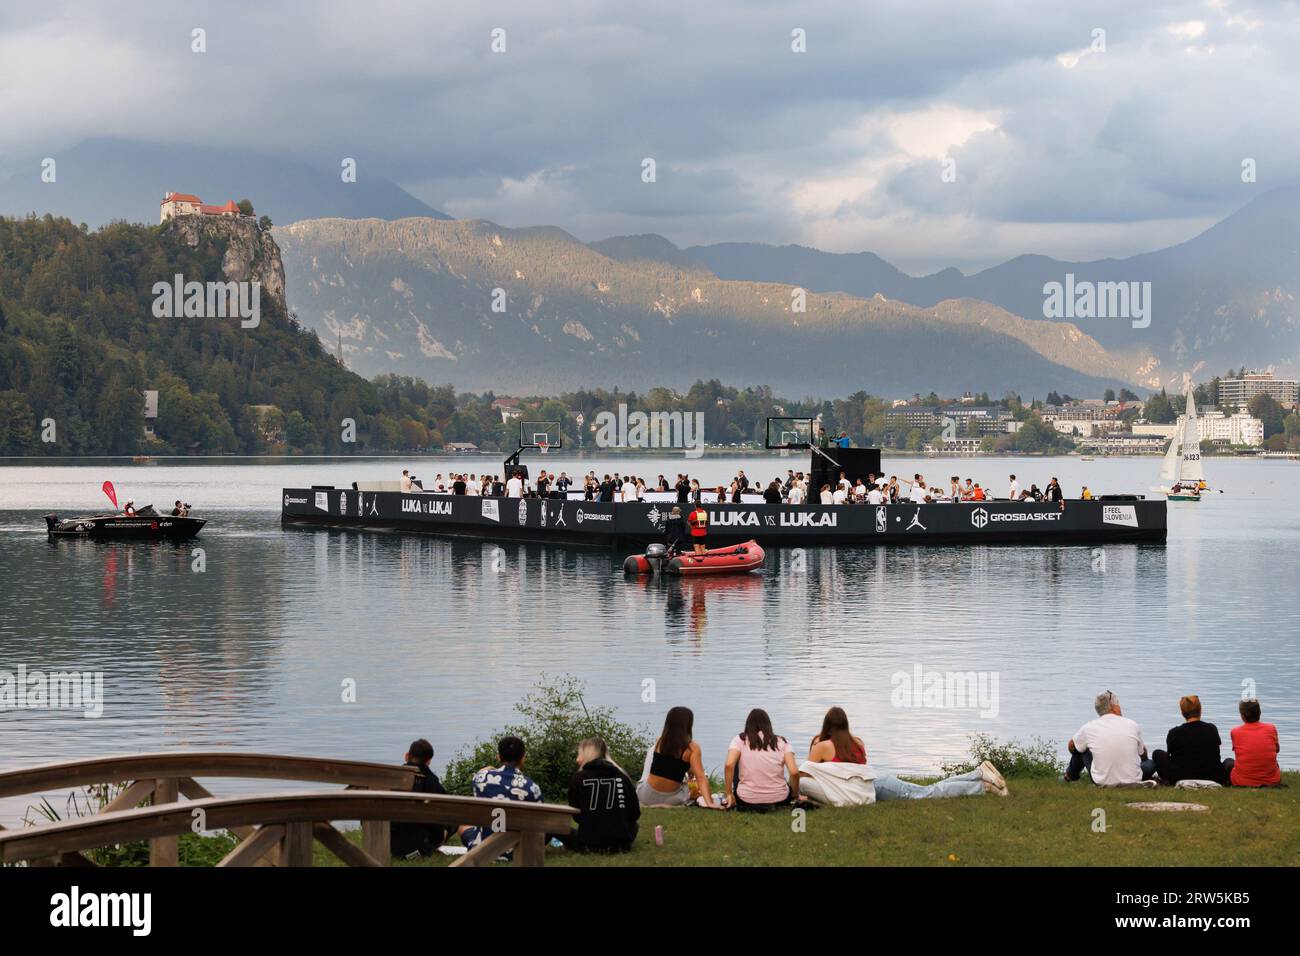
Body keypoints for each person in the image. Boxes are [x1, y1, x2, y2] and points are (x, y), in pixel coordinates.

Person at [800, 708, 1006, 803]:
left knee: (929, 793)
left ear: (827, 725)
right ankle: (979, 773)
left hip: (878, 786)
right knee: (930, 789)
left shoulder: (821, 746)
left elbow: (808, 775)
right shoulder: (858, 742)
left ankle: (981, 784)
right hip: (878, 781)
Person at [459, 736, 544, 850]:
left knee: (463, 827)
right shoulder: (531, 787)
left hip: (483, 847)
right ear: (523, 758)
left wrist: (486, 770)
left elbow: (478, 775)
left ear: (498, 757)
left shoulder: (480, 778)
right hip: (515, 848)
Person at [563, 737, 640, 853]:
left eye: (579, 754)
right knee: (635, 825)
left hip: (588, 844)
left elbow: (576, 816)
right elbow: (634, 814)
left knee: (556, 827)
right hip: (620, 845)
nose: (577, 760)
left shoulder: (578, 778)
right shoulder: (622, 777)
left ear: (587, 755)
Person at [1064, 691, 1156, 786]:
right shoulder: (1132, 724)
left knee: (1079, 748)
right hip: (1133, 779)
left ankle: (1069, 776)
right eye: (1118, 704)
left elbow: (1071, 746)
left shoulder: (1088, 728)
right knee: (1150, 763)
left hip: (1102, 781)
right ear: (1113, 706)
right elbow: (1142, 753)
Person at [637, 706, 720, 808]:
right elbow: (701, 778)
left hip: (646, 797)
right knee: (687, 787)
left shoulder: (660, 741)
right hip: (672, 800)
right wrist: (710, 803)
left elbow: (668, 765)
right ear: (688, 724)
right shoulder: (692, 748)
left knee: (646, 779)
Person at [724, 709, 805, 811]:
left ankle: (735, 794)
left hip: (746, 799)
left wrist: (729, 793)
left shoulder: (740, 739)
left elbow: (729, 765)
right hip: (780, 799)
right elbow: (794, 772)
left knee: (736, 760)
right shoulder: (782, 741)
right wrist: (795, 795)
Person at [391, 738, 451, 859]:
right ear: (428, 761)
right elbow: (444, 808)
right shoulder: (431, 781)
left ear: (406, 756)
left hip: (390, 847)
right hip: (419, 849)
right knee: (451, 819)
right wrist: (439, 837)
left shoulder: (392, 777)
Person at [1152, 695, 1233, 785]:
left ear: (1182, 713)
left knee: (1157, 754)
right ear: (1200, 710)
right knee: (1229, 761)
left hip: (1180, 777)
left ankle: (1166, 780)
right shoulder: (1211, 729)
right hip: (1213, 777)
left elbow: (1170, 754)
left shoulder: (1174, 733)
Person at [1229, 698, 1282, 787]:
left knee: (1228, 762)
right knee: (1274, 762)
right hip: (1272, 781)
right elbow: (1277, 750)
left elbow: (1239, 754)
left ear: (1242, 716)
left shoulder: (1235, 732)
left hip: (1242, 782)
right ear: (1259, 713)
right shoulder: (1271, 728)